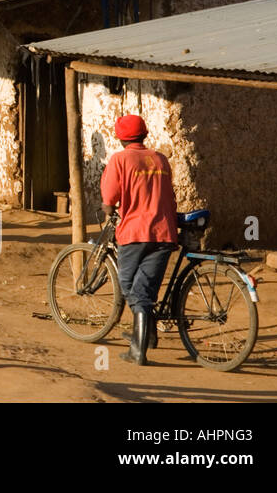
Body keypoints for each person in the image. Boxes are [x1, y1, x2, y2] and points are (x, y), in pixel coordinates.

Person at [100, 114, 178, 367]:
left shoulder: (120, 159)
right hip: (165, 232)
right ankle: (148, 335)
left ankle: (137, 352)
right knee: (147, 288)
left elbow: (110, 197)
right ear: (144, 134)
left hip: (135, 233)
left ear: (120, 136)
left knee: (130, 287)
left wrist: (107, 208)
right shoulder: (160, 158)